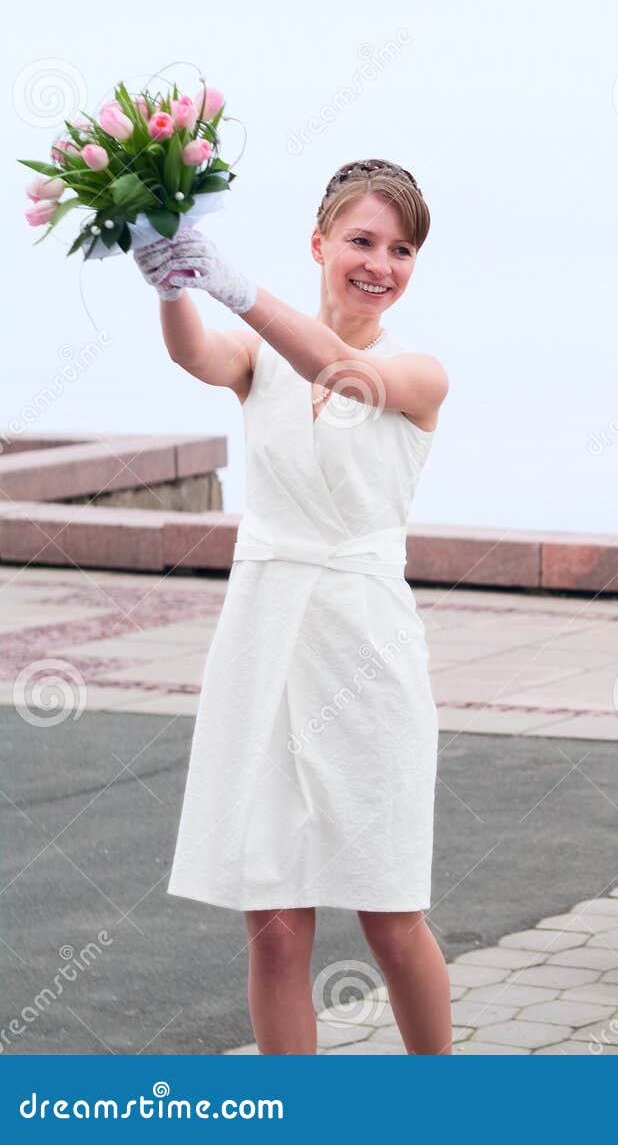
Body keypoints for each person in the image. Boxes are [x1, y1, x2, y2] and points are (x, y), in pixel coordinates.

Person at [134, 158, 452, 1054]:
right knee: (273, 922)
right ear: (319, 244)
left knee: (391, 916)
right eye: (361, 240)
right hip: (264, 637)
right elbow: (199, 353)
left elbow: (346, 372)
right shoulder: (258, 357)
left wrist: (233, 285)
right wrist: (169, 281)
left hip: (366, 650)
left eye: (401, 249)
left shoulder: (420, 374)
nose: (379, 263)